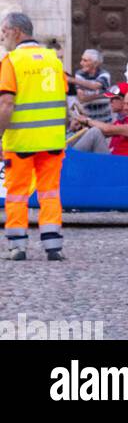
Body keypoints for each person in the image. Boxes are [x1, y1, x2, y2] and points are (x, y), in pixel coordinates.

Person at [0, 13, 68, 261]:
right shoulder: (53, 60)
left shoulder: (12, 61)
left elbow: (6, 103)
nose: (2, 37)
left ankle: (18, 246)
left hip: (21, 141)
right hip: (52, 140)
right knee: (50, 192)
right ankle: (53, 246)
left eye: (4, 31)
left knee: (17, 193)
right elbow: (63, 100)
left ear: (16, 32)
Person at [70, 89, 128, 157]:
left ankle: (67, 159)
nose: (125, 108)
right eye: (125, 104)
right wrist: (83, 124)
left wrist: (87, 120)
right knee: (92, 131)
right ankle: (64, 152)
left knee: (95, 132)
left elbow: (107, 129)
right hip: (114, 159)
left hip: (118, 165)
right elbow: (104, 131)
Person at [71, 48, 113, 123]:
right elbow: (82, 99)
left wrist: (73, 80)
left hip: (105, 120)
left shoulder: (104, 74)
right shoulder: (79, 74)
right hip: (88, 120)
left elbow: (95, 86)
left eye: (85, 60)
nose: (81, 63)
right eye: (82, 60)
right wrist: (101, 94)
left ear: (95, 63)